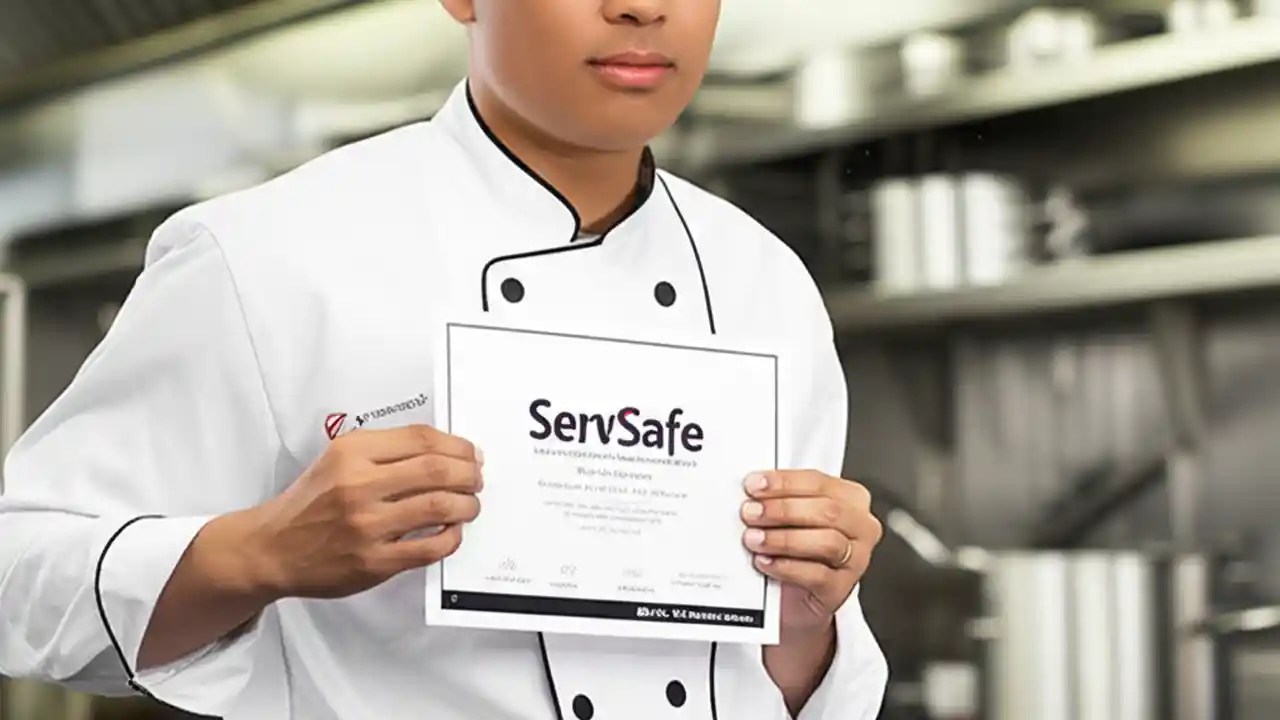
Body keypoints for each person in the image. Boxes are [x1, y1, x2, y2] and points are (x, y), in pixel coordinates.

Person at [0, 1, 888, 718]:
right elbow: (19, 574)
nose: (642, 9)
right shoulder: (270, 252)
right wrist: (260, 552)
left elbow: (781, 683)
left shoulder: (762, 279)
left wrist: (808, 616)